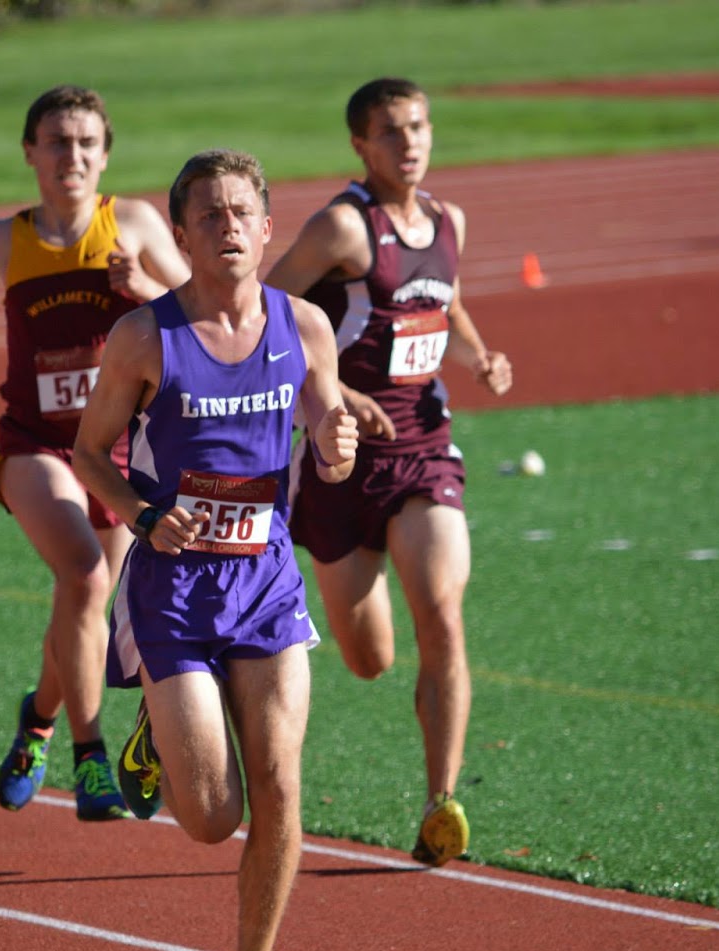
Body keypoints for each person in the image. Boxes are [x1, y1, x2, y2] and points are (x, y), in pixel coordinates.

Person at [72, 149, 357, 951]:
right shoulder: (144, 338)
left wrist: (339, 443)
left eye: (243, 212)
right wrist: (141, 512)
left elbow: (327, 425)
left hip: (266, 581)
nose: (229, 226)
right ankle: (155, 730)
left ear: (268, 229)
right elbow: (90, 454)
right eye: (210, 215)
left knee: (278, 783)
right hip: (173, 587)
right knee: (211, 817)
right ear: (184, 235)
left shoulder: (304, 325)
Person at [264, 77, 513, 868]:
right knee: (369, 659)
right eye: (392, 132)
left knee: (441, 608)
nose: (410, 143)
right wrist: (334, 392)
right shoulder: (342, 227)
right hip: (341, 465)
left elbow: (445, 298)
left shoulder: (449, 220)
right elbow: (264, 309)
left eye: (419, 128)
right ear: (361, 146)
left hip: (425, 447)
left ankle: (441, 803)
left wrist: (476, 352)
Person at [0, 85, 190, 821]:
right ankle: (89, 760)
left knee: (85, 607)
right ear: (30, 152)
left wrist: (142, 285)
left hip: (116, 451)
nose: (71, 156)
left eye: (85, 143)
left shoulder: (134, 223)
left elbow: (202, 314)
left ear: (105, 153)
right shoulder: (2, 240)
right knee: (82, 579)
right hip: (36, 445)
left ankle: (37, 721)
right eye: (56, 141)